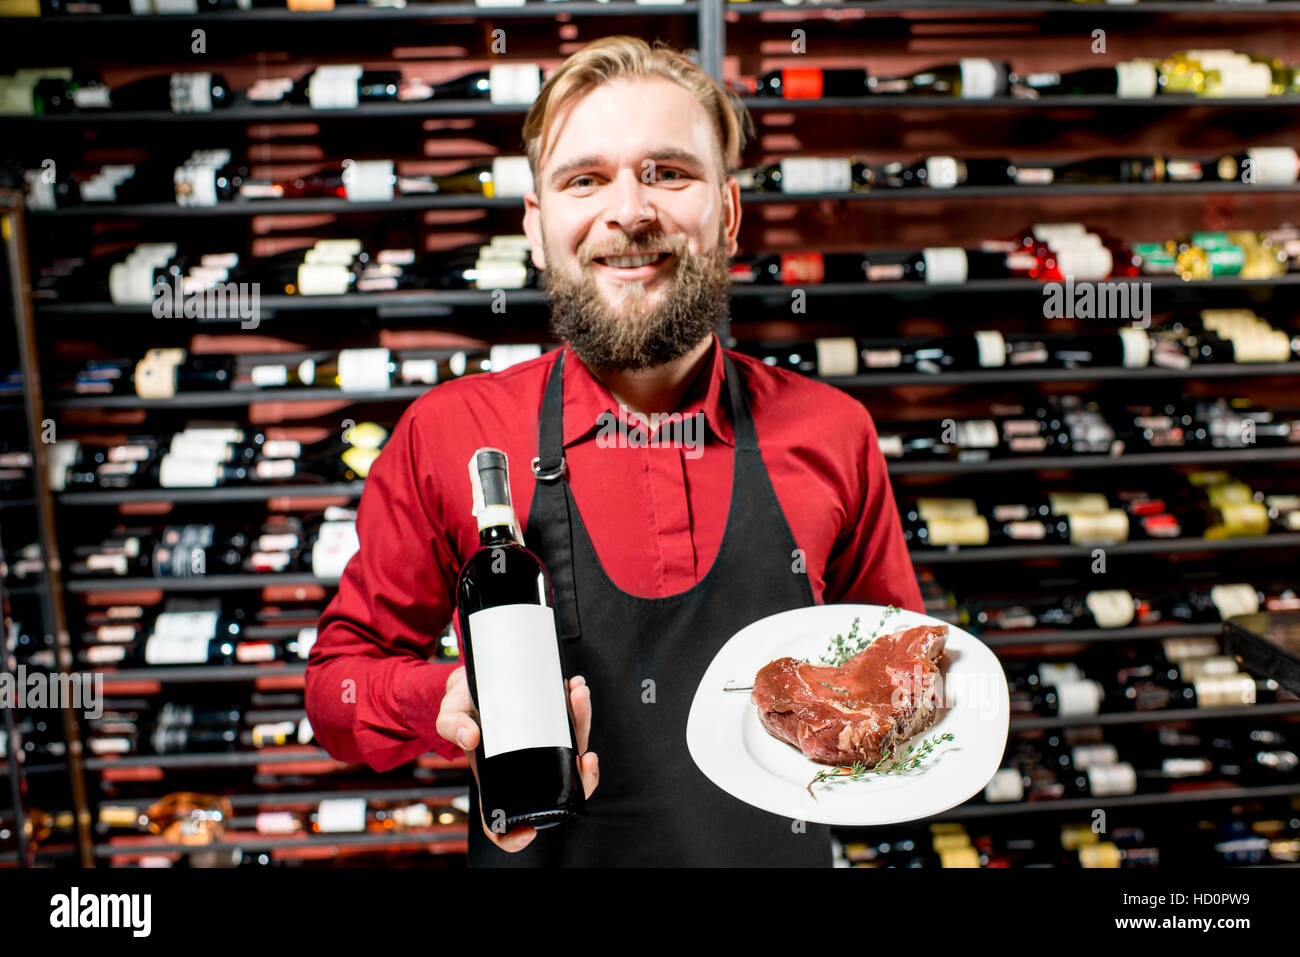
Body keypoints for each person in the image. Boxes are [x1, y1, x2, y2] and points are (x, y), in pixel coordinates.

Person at [305, 35, 923, 867]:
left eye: (669, 173)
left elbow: (899, 667)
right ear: (536, 225)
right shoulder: (448, 434)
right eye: (585, 179)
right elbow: (335, 693)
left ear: (730, 213)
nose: (629, 212)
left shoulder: (832, 430)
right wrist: (445, 696)